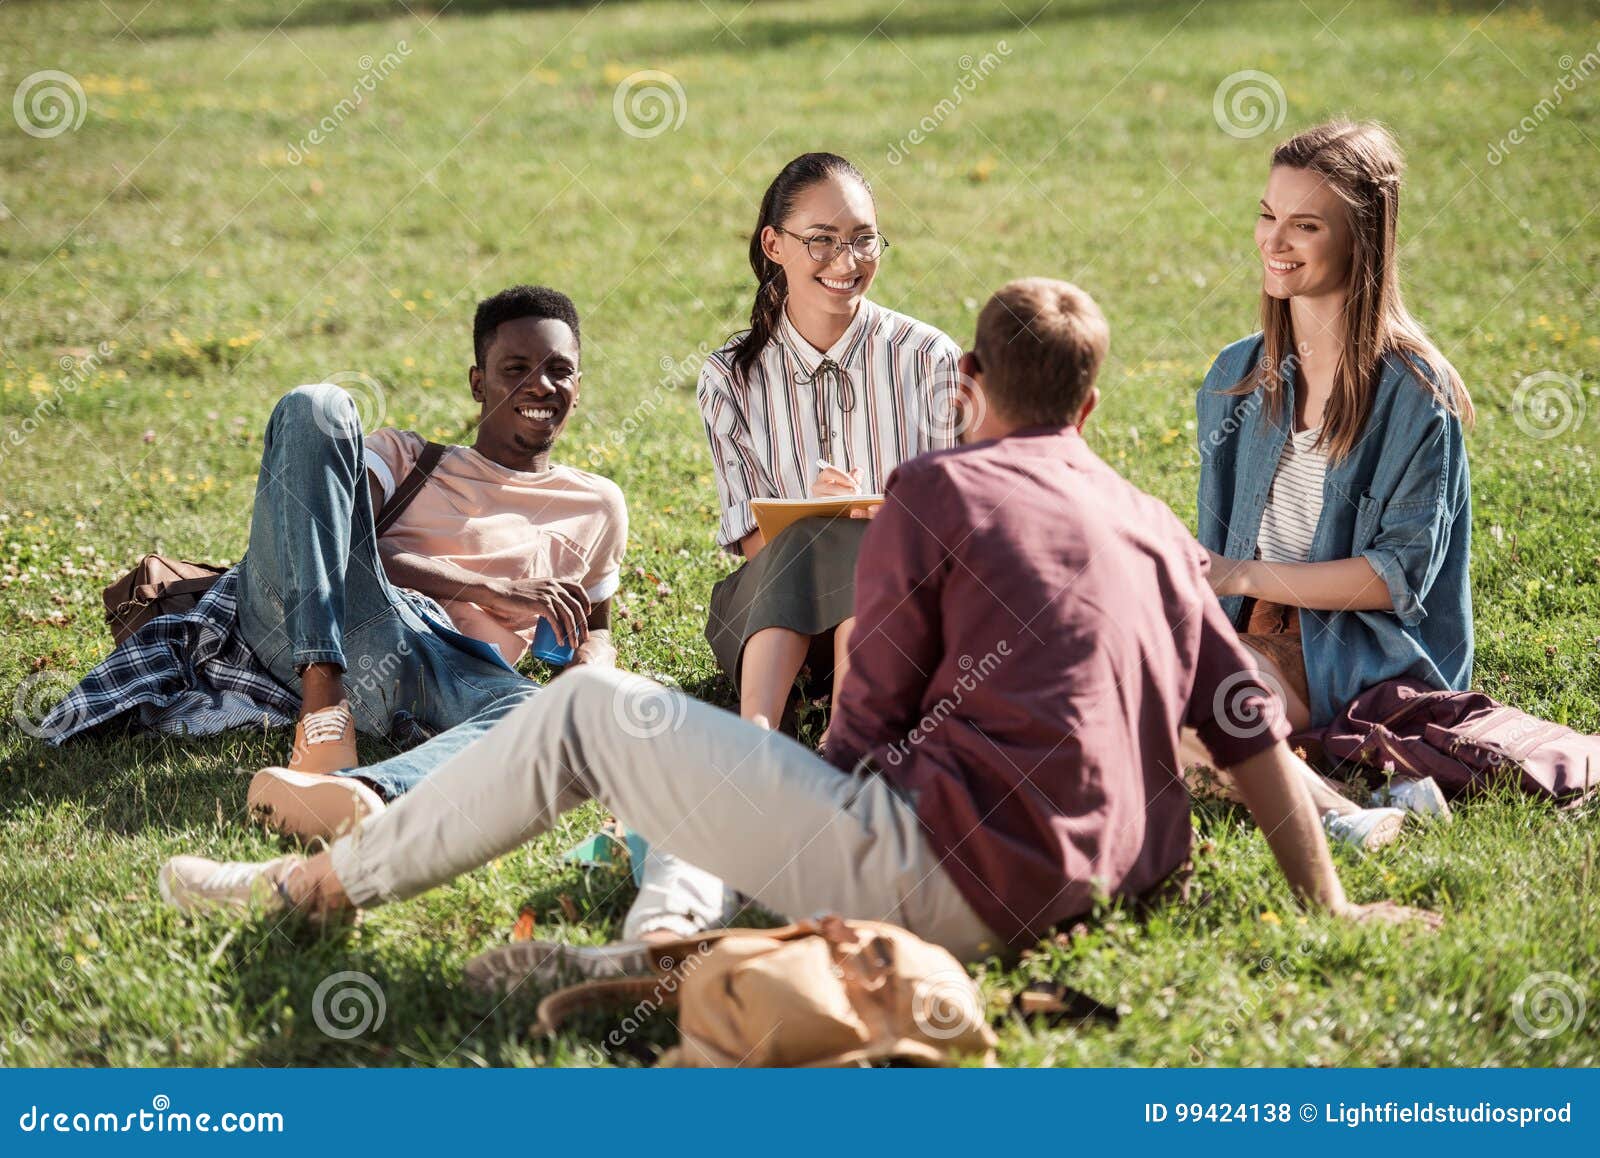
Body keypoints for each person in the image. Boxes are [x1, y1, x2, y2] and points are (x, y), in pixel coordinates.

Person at [158, 279, 1439, 976]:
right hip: (1089, 892)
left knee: (600, 712)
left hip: (946, 877)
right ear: (1092, 404)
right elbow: (1246, 729)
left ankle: (318, 888)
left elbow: (871, 722)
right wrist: (1322, 909)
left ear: (967, 387)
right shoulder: (1155, 527)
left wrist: (770, 807)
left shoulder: (935, 487)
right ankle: (656, 947)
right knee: (696, 777)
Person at [45, 285, 626, 843]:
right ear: (478, 383)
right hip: (320, 624)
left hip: (441, 675)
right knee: (316, 405)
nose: (541, 385)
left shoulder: (598, 503)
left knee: (540, 713)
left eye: (560, 369)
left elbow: (594, 625)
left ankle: (362, 791)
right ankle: (323, 701)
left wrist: (593, 659)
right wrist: (491, 589)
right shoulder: (408, 457)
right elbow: (331, 541)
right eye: (515, 368)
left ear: (580, 384)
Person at [1193, 120, 1474, 849]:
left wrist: (1236, 574)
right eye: (1266, 216)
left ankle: (1335, 814)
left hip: (1361, 649)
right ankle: (1364, 794)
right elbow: (1219, 555)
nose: (1273, 242)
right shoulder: (1235, 376)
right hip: (1249, 631)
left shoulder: (1416, 394)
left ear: (1361, 240)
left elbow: (1394, 579)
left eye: (1305, 225)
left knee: (1179, 697)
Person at [697, 151, 962, 740]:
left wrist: (891, 522)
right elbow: (752, 545)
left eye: (864, 240)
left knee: (870, 539)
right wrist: (824, 518)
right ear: (774, 245)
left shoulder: (929, 359)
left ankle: (846, 730)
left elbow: (957, 529)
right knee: (830, 532)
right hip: (775, 617)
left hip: (905, 612)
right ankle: (761, 736)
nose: (847, 261)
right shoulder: (729, 376)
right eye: (821, 241)